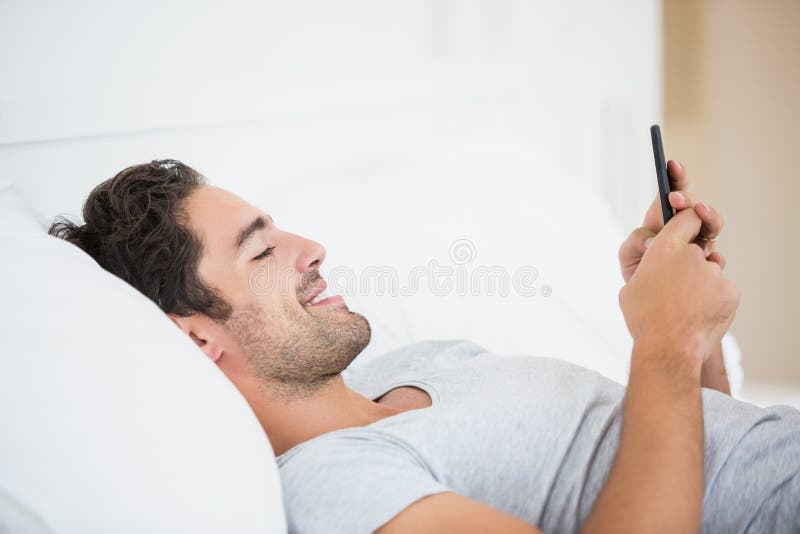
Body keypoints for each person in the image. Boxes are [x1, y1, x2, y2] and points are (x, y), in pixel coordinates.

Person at [49, 159, 799, 533]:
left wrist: (694, 339)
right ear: (197, 338)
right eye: (260, 252)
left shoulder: (422, 363)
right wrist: (662, 341)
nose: (312, 248)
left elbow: (708, 484)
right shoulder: (336, 486)